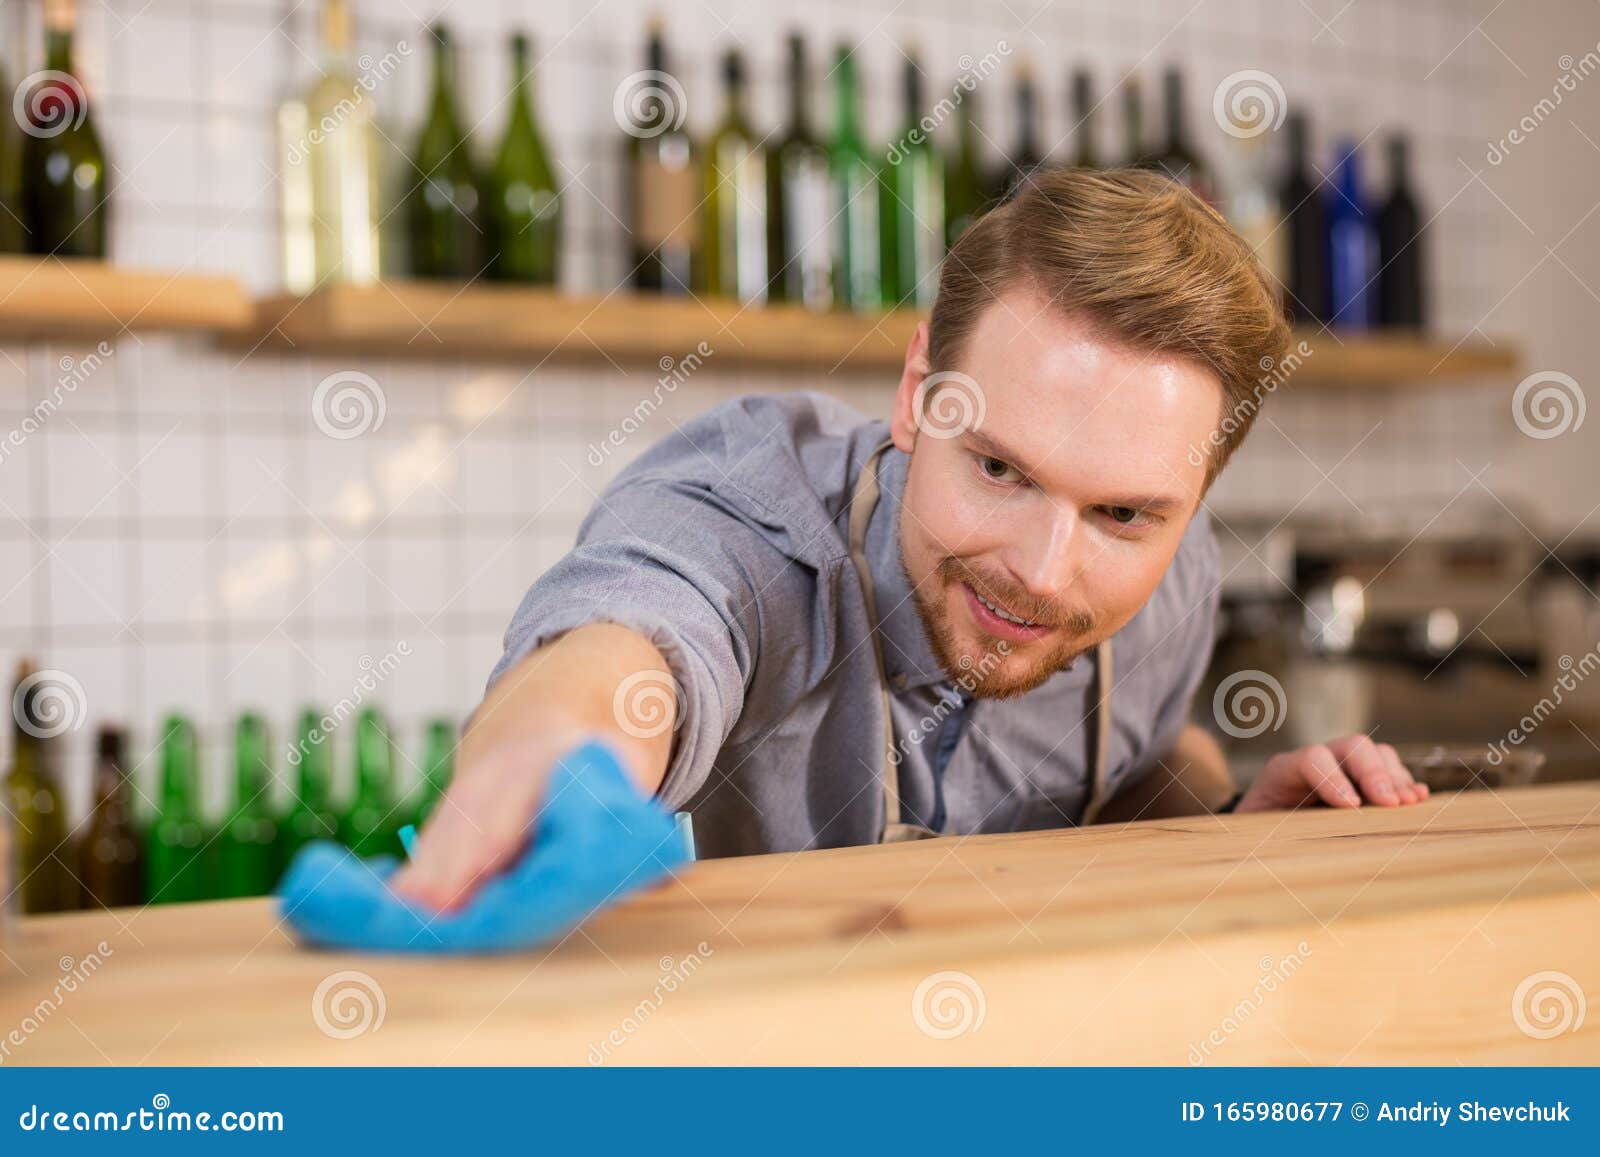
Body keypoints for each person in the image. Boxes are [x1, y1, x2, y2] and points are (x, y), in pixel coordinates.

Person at [392, 168, 1426, 913]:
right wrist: (550, 761)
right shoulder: (750, 513)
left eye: (1122, 515)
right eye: (998, 468)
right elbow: (636, 639)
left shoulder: (1175, 574)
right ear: (918, 392)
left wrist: (1235, 823)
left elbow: (1137, 761)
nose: (1042, 570)